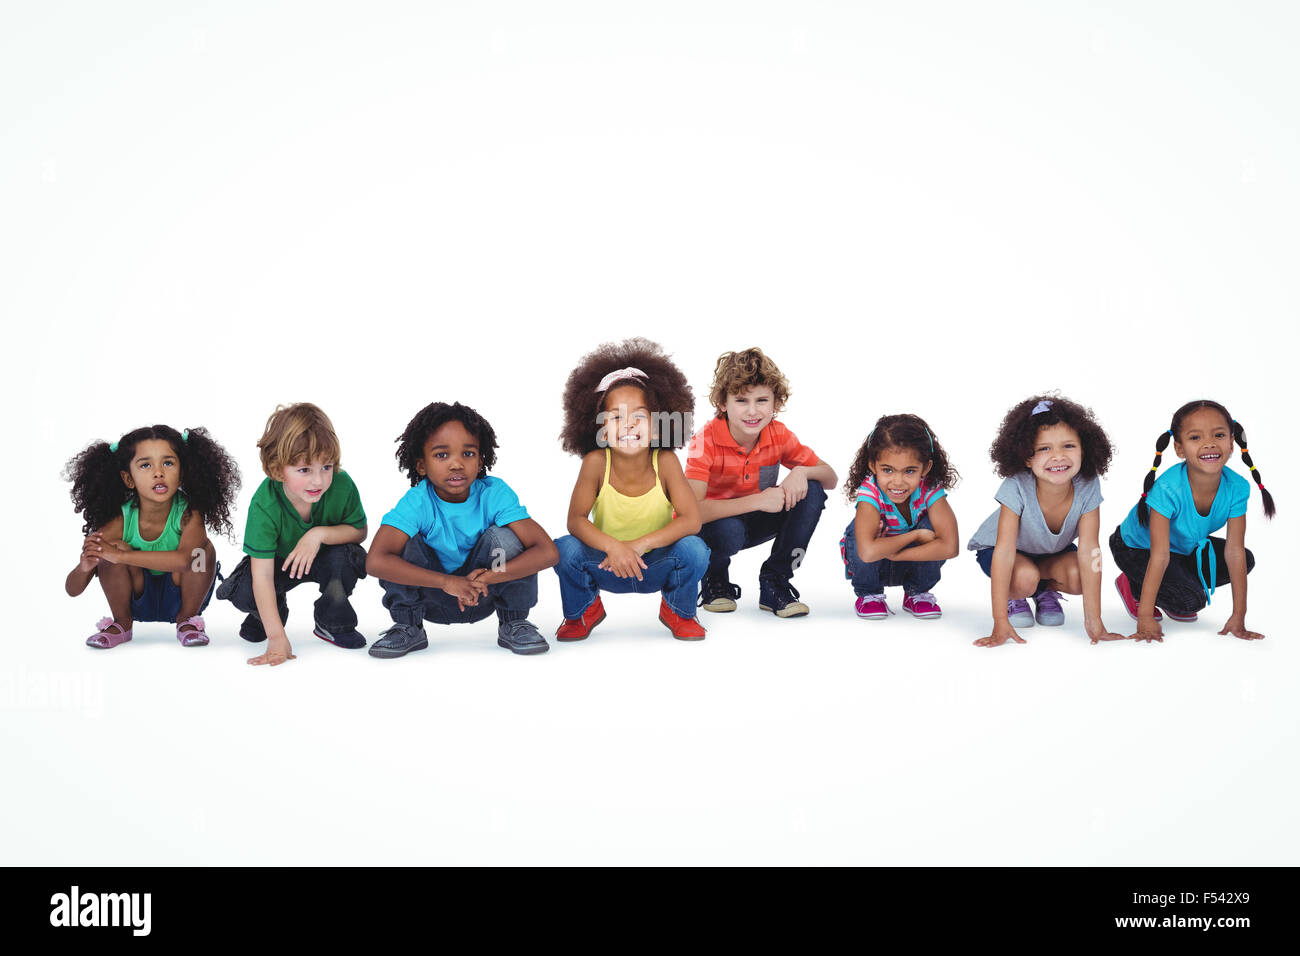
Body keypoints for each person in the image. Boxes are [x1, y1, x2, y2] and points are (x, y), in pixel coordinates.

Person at [366, 401, 558, 658]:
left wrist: (489, 577)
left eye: (467, 454)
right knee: (404, 542)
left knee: (503, 538)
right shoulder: (418, 502)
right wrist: (448, 582)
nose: (456, 464)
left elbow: (547, 552)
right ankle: (407, 625)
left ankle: (514, 621)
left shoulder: (494, 494)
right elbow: (375, 561)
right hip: (430, 596)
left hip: (486, 592)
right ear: (421, 465)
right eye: (442, 455)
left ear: (480, 461)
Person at [552, 338, 709, 641]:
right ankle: (583, 610)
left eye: (639, 416)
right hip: (606, 563)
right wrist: (614, 547)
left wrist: (639, 544)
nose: (628, 426)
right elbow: (576, 520)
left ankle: (679, 610)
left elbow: (692, 520)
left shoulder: (665, 461)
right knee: (563, 549)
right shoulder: (597, 462)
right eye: (616, 417)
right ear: (600, 427)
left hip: (654, 564)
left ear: (658, 423)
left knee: (695, 550)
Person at [687, 347, 836, 618]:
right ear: (723, 403)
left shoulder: (777, 434)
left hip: (757, 518)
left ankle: (775, 581)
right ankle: (714, 576)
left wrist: (801, 472)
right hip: (716, 526)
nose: (752, 411)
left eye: (762, 400)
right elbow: (691, 511)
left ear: (776, 403)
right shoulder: (703, 441)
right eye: (741, 400)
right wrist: (758, 500)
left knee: (813, 490)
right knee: (729, 531)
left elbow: (831, 477)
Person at [216, 403, 368, 666]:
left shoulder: (343, 485)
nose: (318, 481)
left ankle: (331, 620)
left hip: (326, 558)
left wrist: (318, 535)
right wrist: (276, 636)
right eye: (304, 470)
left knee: (348, 558)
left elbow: (359, 531)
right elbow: (262, 574)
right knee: (244, 590)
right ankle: (271, 614)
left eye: (327, 467)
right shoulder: (265, 504)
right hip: (278, 565)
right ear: (277, 470)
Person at [1110, 399, 1274, 642]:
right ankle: (1133, 585)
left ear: (1231, 442)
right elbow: (1160, 554)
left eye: (1218, 435)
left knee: (1245, 560)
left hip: (1181, 547)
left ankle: (1170, 585)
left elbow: (1234, 551)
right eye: (1195, 438)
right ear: (1179, 449)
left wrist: (1239, 615)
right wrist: (1145, 616)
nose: (1209, 443)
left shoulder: (1237, 487)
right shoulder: (1168, 488)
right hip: (1135, 548)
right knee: (1190, 601)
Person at [969, 395, 1125, 647]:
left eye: (1068, 446)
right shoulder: (1017, 486)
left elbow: (1089, 549)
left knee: (1078, 576)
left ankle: (1041, 590)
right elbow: (1005, 550)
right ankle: (1018, 595)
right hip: (1001, 551)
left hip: (1052, 551)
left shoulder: (1087, 485)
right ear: (1027, 458)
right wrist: (999, 622)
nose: (1058, 456)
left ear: (1084, 449)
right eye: (1044, 448)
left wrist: (1095, 621)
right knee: (1024, 577)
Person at [64, 425, 239, 648]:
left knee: (203, 551)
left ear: (182, 472)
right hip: (136, 598)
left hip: (183, 597)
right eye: (145, 465)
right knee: (111, 549)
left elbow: (185, 560)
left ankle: (187, 622)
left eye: (168, 463)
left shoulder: (188, 513)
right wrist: (85, 567)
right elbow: (72, 590)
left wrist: (120, 556)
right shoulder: (120, 518)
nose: (158, 472)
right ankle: (121, 624)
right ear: (128, 479)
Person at [840, 414, 959, 620]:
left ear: (926, 468)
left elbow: (950, 547)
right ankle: (870, 595)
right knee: (856, 532)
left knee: (934, 527)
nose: (898, 482)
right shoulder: (870, 492)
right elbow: (868, 553)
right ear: (872, 466)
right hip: (873, 567)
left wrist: (895, 553)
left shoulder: (929, 489)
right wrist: (914, 536)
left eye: (909, 471)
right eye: (888, 470)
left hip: (908, 561)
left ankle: (917, 592)